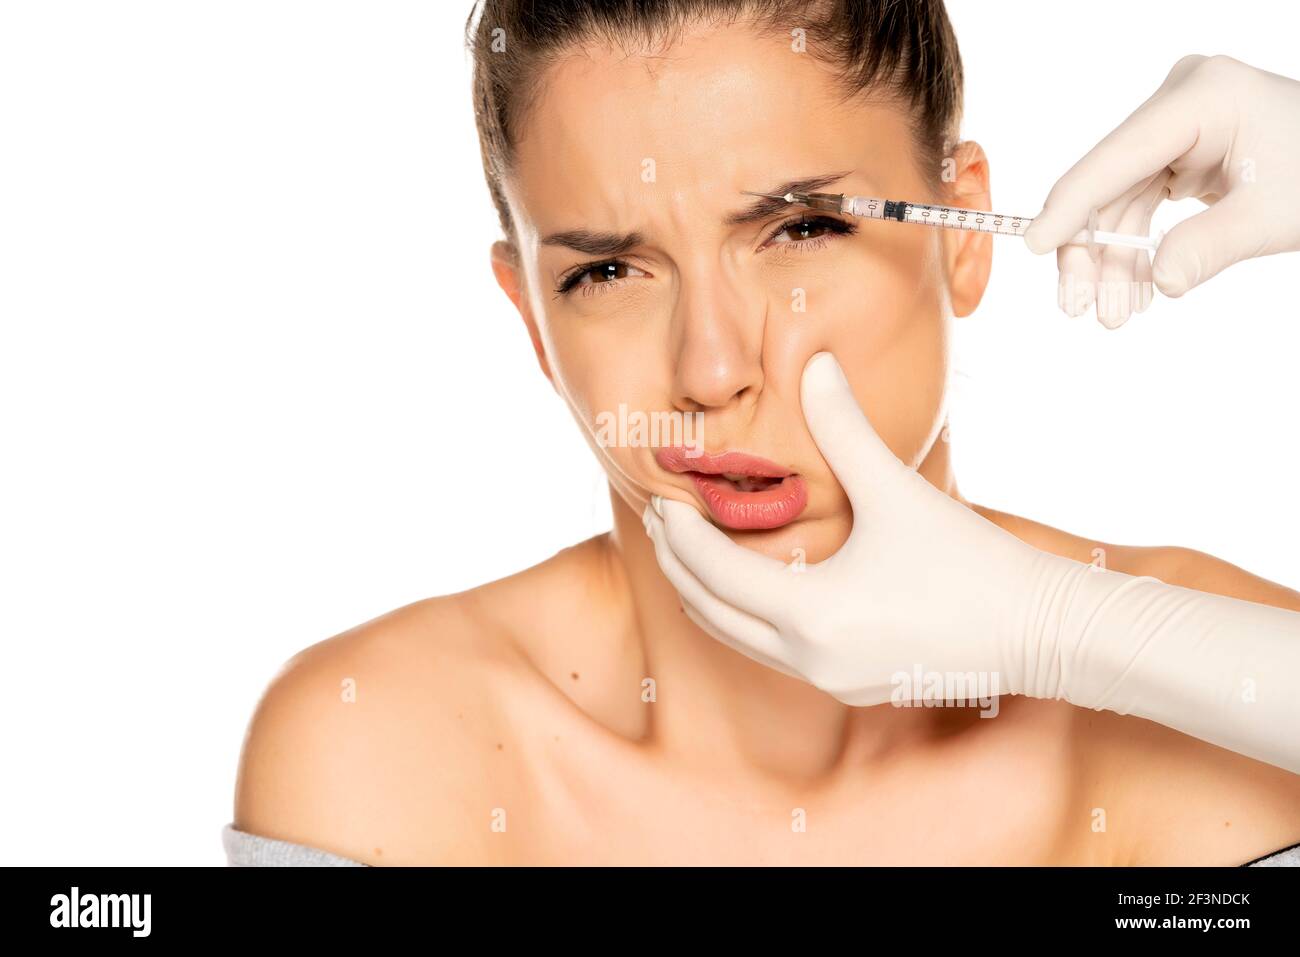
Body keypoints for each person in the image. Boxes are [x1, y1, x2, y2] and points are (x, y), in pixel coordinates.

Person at [226, 1, 1300, 866]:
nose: (712, 369)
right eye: (606, 271)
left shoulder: (1235, 715)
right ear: (533, 325)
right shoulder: (378, 760)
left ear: (963, 237)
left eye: (800, 231)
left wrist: (1070, 631)